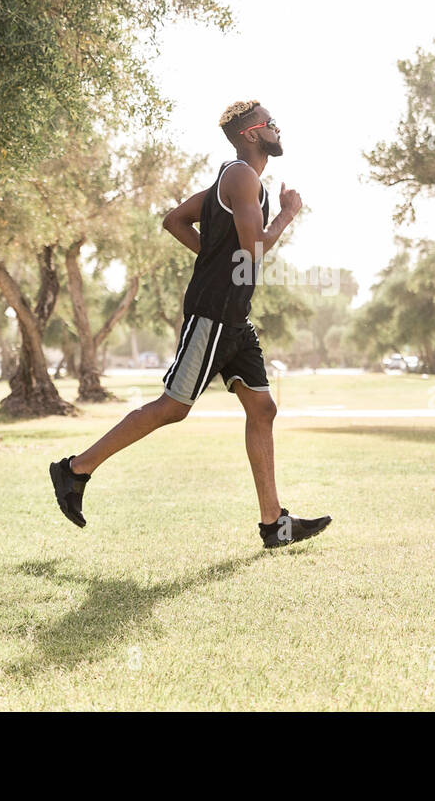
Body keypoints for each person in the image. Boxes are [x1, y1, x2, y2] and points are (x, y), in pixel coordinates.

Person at [49, 100, 332, 549]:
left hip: (235, 320)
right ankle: (74, 470)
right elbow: (254, 248)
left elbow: (174, 220)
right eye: (271, 123)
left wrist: (212, 253)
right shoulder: (240, 176)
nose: (279, 128)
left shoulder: (237, 180)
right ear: (253, 134)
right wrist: (286, 215)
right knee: (173, 407)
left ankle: (273, 522)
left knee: (263, 410)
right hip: (214, 315)